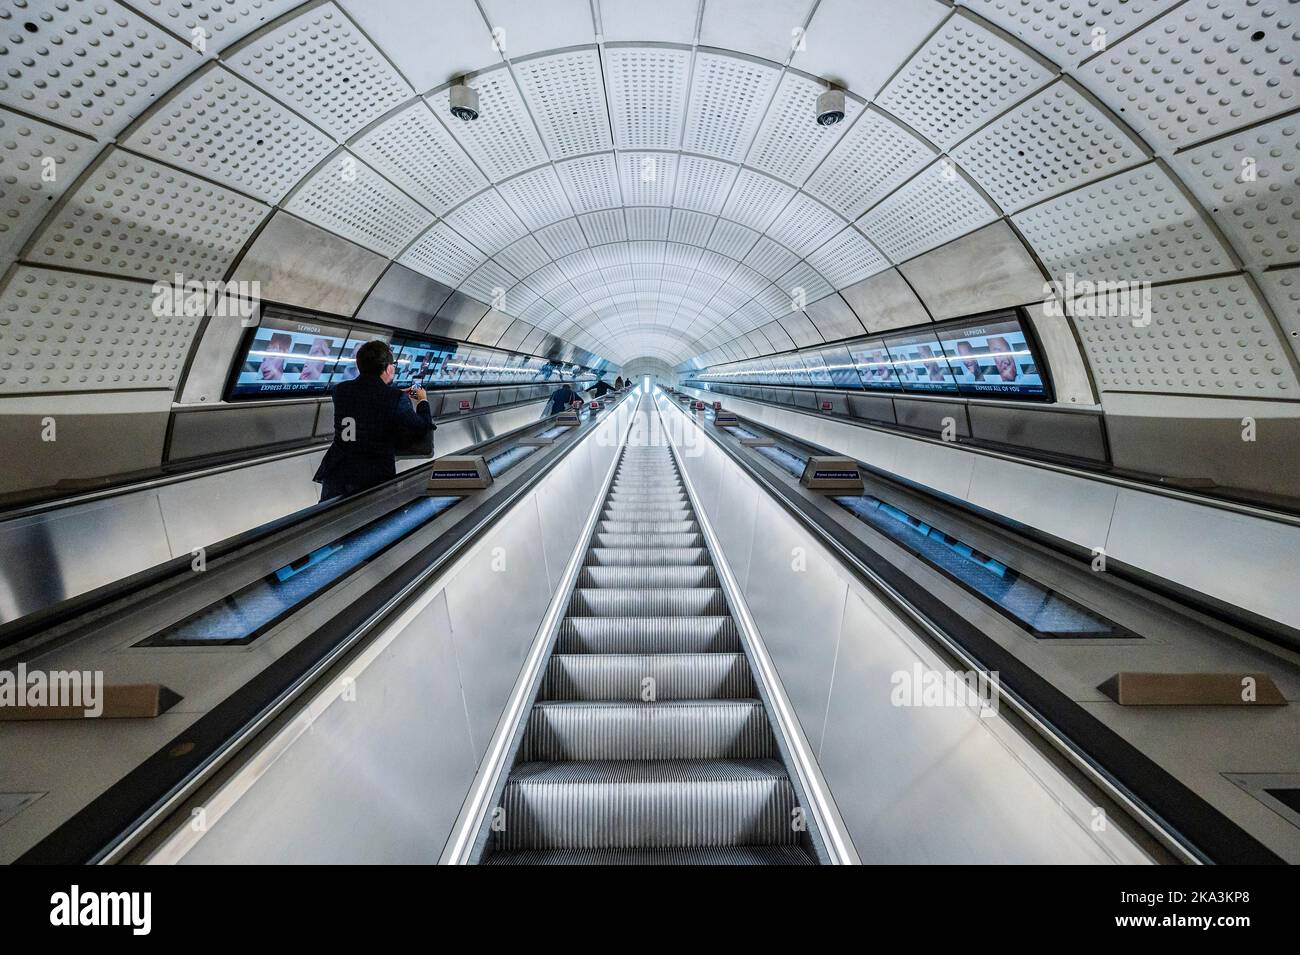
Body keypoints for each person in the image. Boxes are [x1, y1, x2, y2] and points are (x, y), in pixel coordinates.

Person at [313, 340, 434, 502]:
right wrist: (422, 401)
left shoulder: (340, 390)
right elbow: (422, 427)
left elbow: (366, 400)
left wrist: (395, 396)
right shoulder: (394, 398)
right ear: (387, 367)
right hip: (372, 478)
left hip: (337, 474)